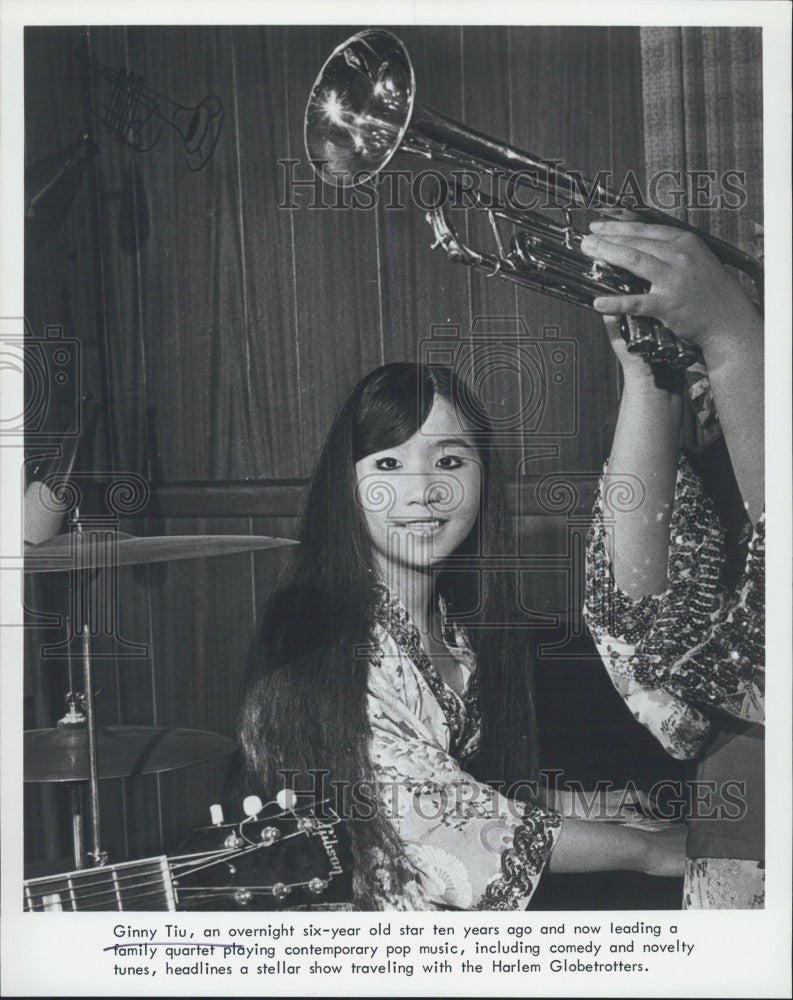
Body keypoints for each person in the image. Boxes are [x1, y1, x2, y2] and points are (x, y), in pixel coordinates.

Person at [237, 361, 684, 910]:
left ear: (483, 475)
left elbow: (466, 782)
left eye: (448, 461)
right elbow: (440, 822)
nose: (423, 491)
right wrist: (648, 850)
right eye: (388, 463)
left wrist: (587, 805)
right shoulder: (323, 640)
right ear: (346, 487)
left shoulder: (453, 627)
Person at [580, 221, 765, 908]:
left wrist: (732, 336)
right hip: (736, 854)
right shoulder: (716, 468)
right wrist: (649, 380)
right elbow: (633, 637)